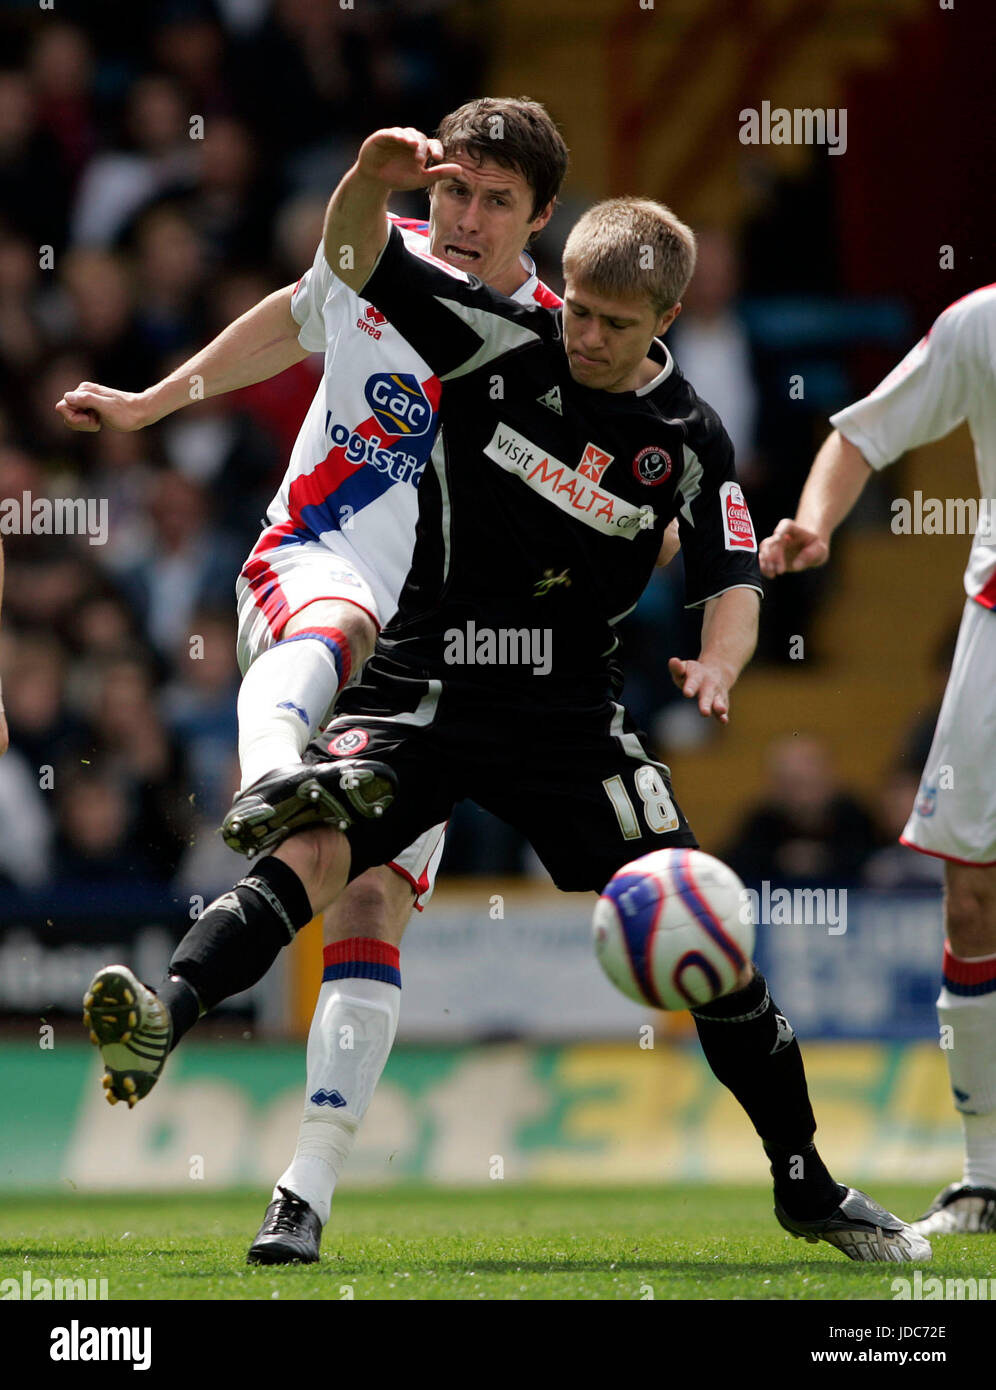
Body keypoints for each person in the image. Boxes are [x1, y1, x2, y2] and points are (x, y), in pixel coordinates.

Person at [83, 125, 930, 1268]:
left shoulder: (687, 440)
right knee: (317, 856)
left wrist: (722, 664)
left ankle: (807, 1182)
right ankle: (164, 1018)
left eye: (611, 326)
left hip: (569, 723)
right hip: (426, 680)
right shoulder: (495, 336)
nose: (581, 337)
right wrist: (362, 185)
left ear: (663, 327)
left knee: (710, 935)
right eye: (575, 310)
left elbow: (733, 580)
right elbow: (347, 266)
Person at [760, 283, 996, 1236]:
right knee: (972, 895)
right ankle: (985, 1178)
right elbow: (863, 432)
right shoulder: (980, 323)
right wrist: (816, 521)